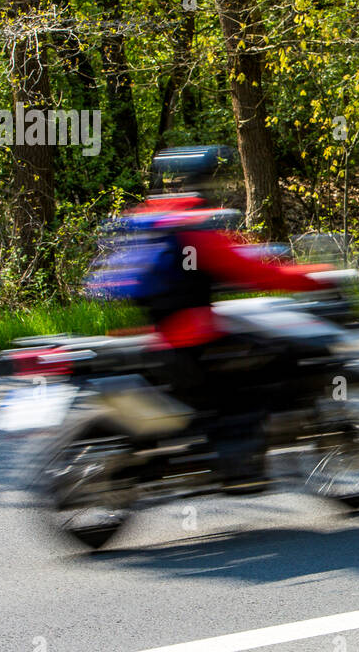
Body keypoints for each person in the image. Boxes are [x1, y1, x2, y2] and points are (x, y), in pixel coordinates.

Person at [87, 146, 334, 487]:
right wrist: (312, 276)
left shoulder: (152, 220)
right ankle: (238, 460)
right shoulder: (192, 227)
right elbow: (250, 272)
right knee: (270, 358)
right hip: (191, 341)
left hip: (155, 338)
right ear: (203, 182)